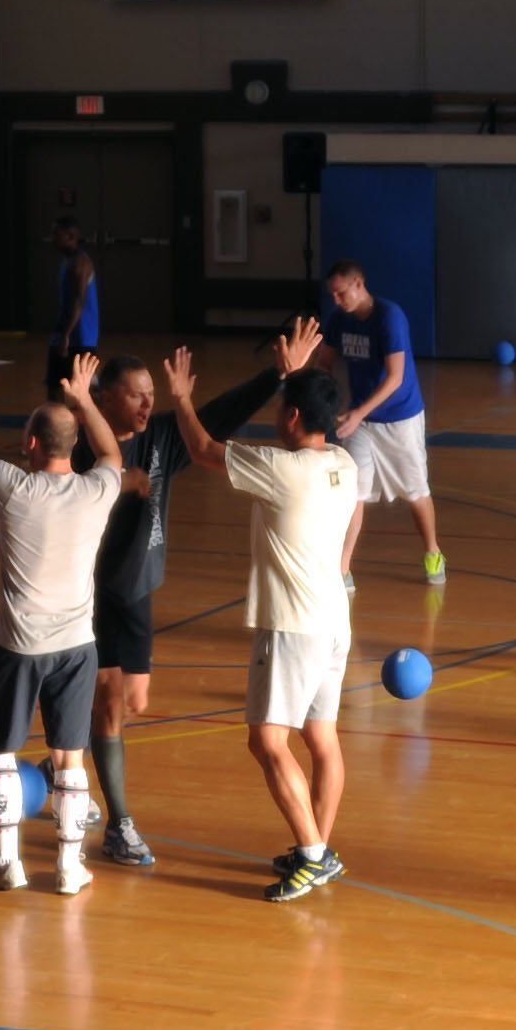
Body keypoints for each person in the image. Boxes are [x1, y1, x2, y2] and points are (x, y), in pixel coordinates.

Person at [169, 319, 359, 902]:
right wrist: (297, 375)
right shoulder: (344, 466)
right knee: (322, 739)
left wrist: (181, 397)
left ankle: (312, 854)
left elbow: (202, 449)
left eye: (284, 407)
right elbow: (311, 419)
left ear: (293, 418)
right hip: (334, 624)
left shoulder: (280, 471)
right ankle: (317, 847)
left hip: (293, 628)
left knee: (267, 741)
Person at [74, 348, 283, 869]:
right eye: (136, 395)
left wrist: (277, 374)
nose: (148, 404)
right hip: (90, 593)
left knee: (133, 702)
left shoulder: (164, 435)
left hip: (138, 589)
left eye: (152, 394)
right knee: (108, 701)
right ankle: (119, 825)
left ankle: (67, 755)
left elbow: (221, 415)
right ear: (105, 399)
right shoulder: (79, 446)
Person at [0, 336, 125, 897]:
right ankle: (69, 870)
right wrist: (85, 399)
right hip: (78, 646)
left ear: (29, 444)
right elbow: (113, 456)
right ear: (72, 445)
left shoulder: (14, 488)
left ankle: (7, 864)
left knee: (1, 751)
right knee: (70, 757)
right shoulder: (98, 490)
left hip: (18, 646)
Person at [323, 263, 443, 588]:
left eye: (341, 292)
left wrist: (359, 412)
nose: (336, 300)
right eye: (332, 294)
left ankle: (432, 552)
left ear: (359, 283)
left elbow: (396, 377)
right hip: (360, 422)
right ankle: (342, 570)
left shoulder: (389, 317)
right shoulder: (339, 319)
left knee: (416, 491)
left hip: (399, 419)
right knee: (353, 494)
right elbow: (325, 362)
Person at [48, 216, 99, 390]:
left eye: (57, 234)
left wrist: (67, 334)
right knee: (54, 384)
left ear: (70, 237)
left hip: (80, 337)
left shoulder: (80, 263)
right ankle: (54, 417)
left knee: (82, 388)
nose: (52, 237)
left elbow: (80, 300)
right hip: (64, 332)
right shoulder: (66, 261)